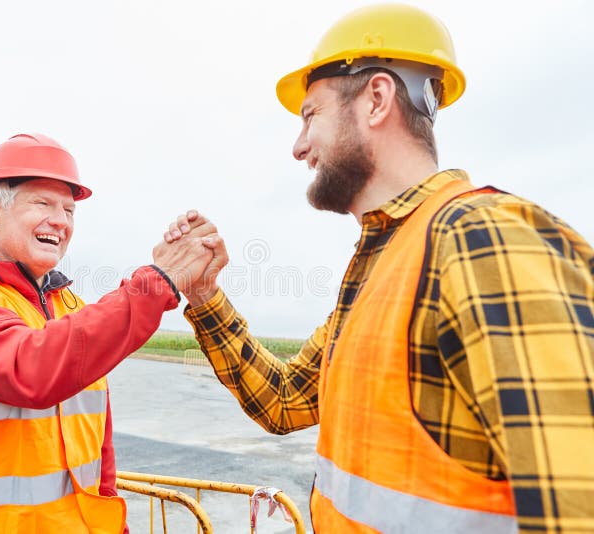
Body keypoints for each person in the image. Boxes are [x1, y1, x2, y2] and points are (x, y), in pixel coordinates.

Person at [165, 4, 594, 533]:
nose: (298, 147)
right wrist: (205, 295)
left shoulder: (478, 239)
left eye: (311, 116)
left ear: (376, 99)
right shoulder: (384, 261)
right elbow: (283, 401)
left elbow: (579, 504)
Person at [0, 132, 215, 533]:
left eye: (69, 210)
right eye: (42, 203)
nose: (60, 221)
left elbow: (98, 450)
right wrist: (158, 282)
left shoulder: (71, 307)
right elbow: (30, 367)